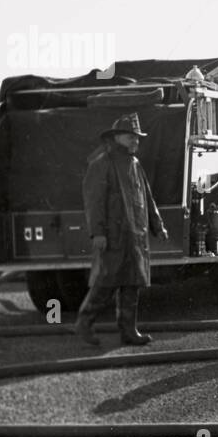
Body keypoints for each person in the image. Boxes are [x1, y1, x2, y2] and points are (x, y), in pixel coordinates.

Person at [73, 113, 168, 347]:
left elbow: (147, 198)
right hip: (114, 237)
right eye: (131, 136)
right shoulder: (101, 164)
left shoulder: (135, 164)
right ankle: (84, 324)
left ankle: (129, 331)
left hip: (135, 238)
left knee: (132, 285)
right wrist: (98, 233)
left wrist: (158, 226)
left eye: (137, 137)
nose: (136, 140)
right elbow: (93, 202)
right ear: (116, 137)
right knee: (106, 283)